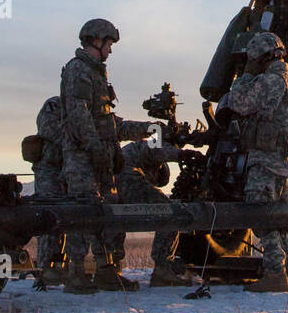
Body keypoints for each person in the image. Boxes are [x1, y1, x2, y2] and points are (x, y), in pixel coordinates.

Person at [58, 18, 150, 294]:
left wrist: (113, 150)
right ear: (96, 41)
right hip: (82, 158)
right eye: (109, 44)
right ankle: (75, 273)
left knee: (107, 214)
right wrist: (96, 148)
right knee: (82, 214)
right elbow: (79, 115)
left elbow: (105, 119)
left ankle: (107, 270)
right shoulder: (78, 71)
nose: (110, 51)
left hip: (101, 158)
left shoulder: (96, 74)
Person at [215, 31, 288, 293]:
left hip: (266, 163)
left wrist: (243, 78)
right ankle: (287, 274)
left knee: (261, 217)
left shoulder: (271, 81)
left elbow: (239, 103)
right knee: (282, 221)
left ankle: (274, 274)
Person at [116, 139, 195, 287]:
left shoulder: (132, 152)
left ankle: (110, 269)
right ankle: (163, 269)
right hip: (127, 178)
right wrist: (181, 154)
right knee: (171, 212)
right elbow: (158, 149)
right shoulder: (147, 147)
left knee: (115, 220)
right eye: (155, 181)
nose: (152, 185)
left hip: (110, 183)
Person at [28, 95, 68, 286]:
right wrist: (78, 140)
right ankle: (45, 269)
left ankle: (61, 265)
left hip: (69, 169)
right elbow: (49, 129)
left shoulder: (85, 109)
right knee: (49, 218)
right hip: (49, 169)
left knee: (70, 219)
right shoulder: (55, 104)